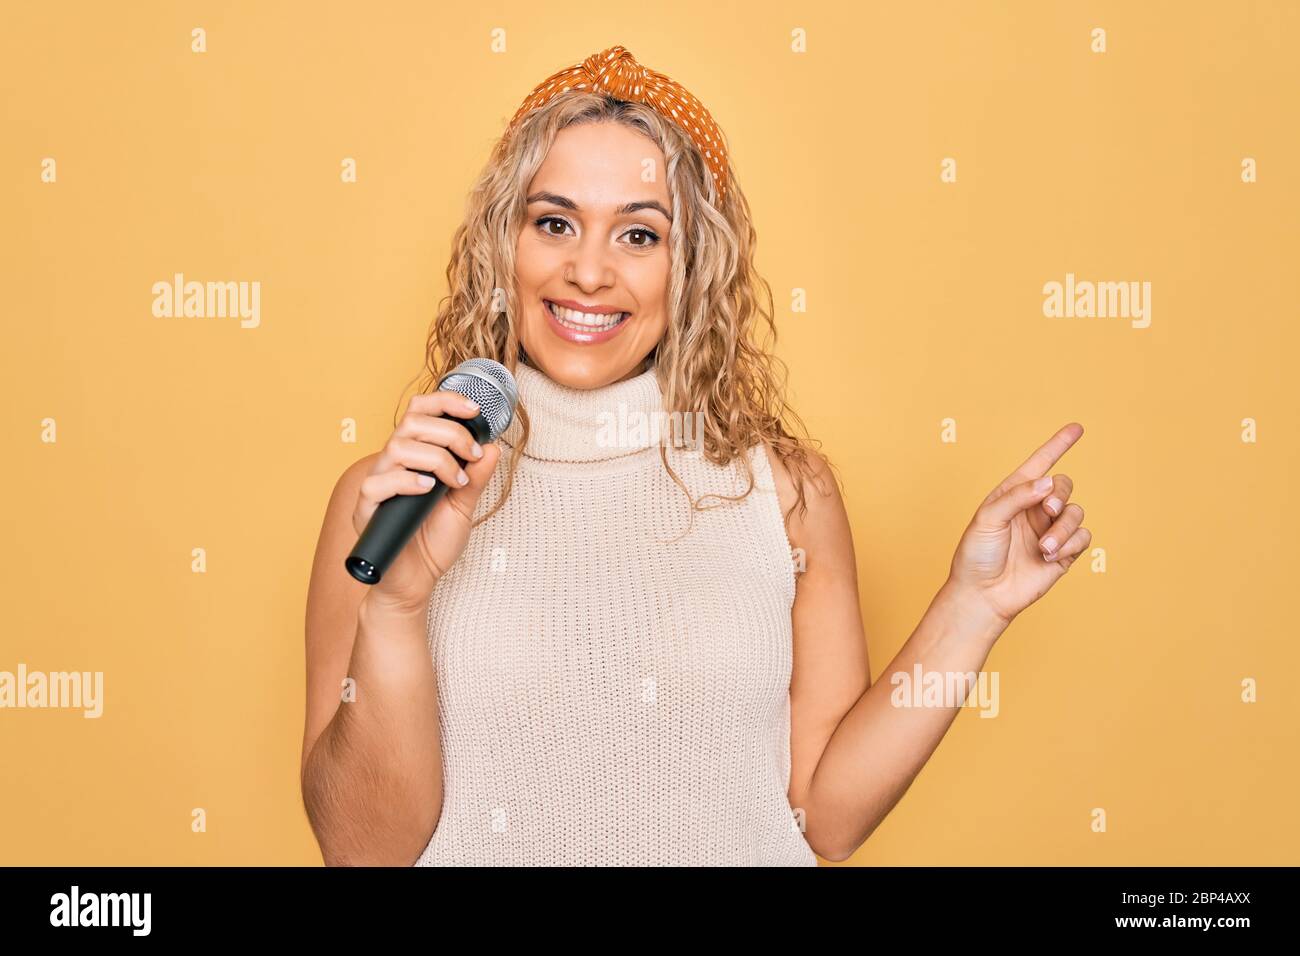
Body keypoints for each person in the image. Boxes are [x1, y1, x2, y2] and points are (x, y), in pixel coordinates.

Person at [300, 45, 1091, 866]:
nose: (588, 271)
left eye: (639, 234)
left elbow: (825, 817)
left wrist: (973, 610)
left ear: (693, 267)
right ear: (505, 243)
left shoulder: (783, 492)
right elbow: (363, 853)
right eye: (555, 222)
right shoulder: (391, 498)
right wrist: (392, 611)